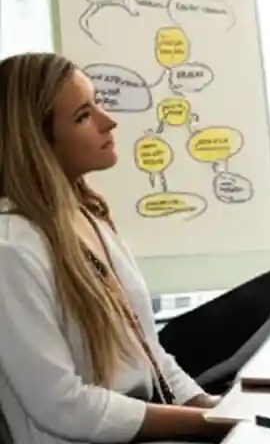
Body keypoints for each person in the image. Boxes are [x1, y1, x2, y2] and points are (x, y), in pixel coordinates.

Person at [0, 53, 230, 443]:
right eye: (83, 115)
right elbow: (61, 406)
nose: (109, 121)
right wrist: (212, 425)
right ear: (37, 141)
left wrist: (215, 406)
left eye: (98, 103)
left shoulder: (88, 215)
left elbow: (149, 356)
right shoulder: (13, 247)